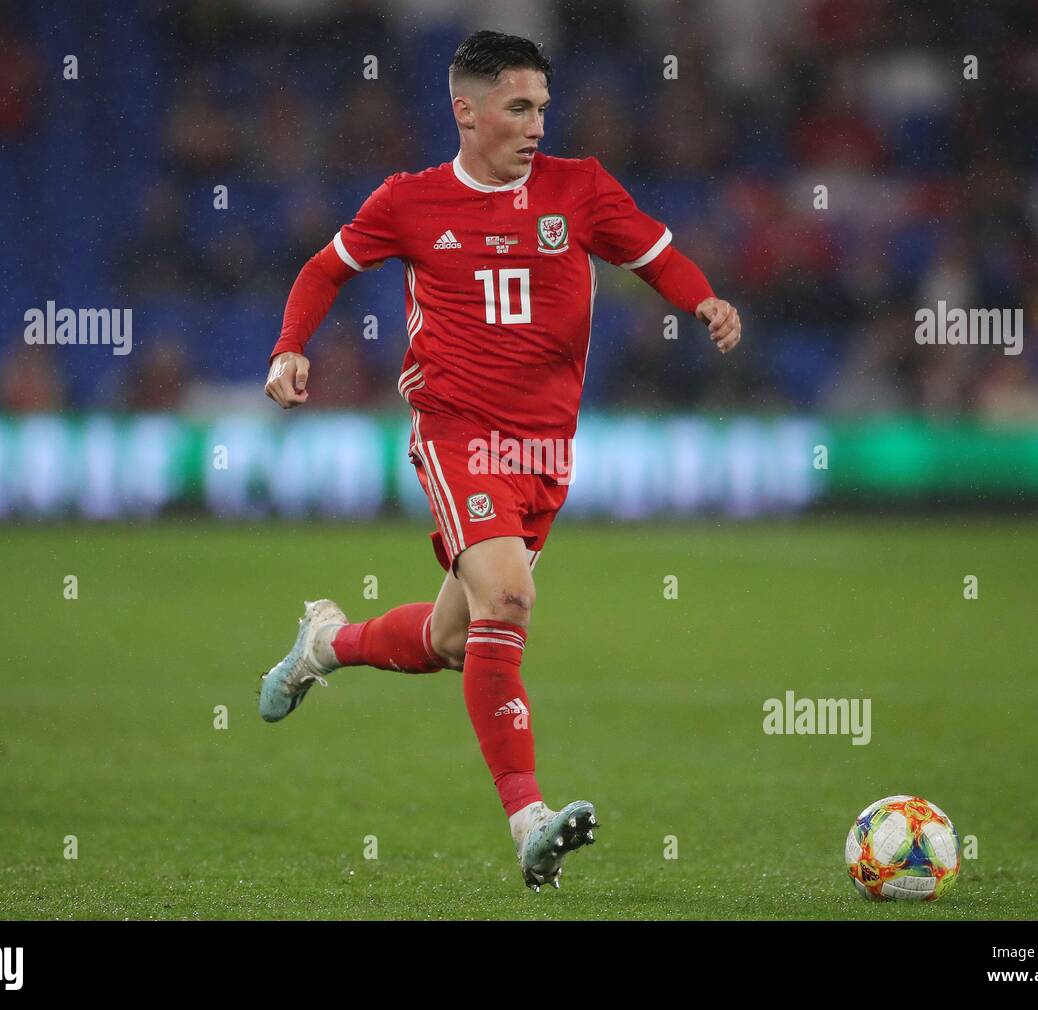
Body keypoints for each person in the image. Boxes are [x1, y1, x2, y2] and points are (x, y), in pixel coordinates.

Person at [259, 30, 742, 892]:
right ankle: (528, 821)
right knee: (511, 597)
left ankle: (324, 645)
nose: (534, 126)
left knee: (454, 637)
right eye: (518, 108)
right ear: (467, 111)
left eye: (541, 109)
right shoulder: (409, 202)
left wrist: (703, 299)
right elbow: (324, 269)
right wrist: (290, 349)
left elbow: (656, 255)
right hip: (457, 434)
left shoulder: (579, 188)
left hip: (545, 452)